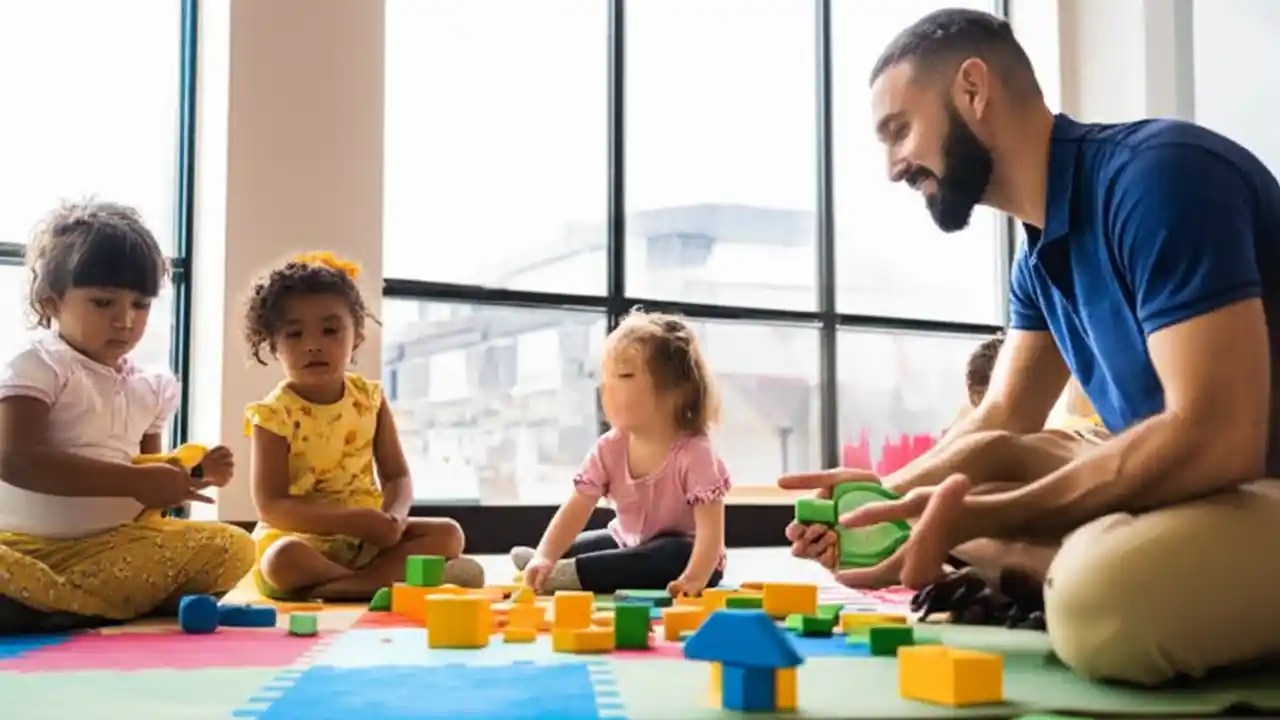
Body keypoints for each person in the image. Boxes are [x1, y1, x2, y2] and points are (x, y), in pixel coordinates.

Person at [782, 7, 1280, 686]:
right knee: (984, 462)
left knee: (1098, 599)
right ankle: (1050, 564)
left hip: (1253, 479)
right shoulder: (1036, 255)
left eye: (900, 131)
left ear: (973, 90)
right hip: (1196, 479)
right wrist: (880, 499)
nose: (894, 167)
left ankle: (1055, 574)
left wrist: (984, 517)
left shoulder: (1158, 179)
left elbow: (1221, 436)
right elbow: (1000, 420)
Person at [0, 200, 254, 632]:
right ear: (52, 302)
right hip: (21, 547)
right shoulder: (38, 364)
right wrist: (138, 480)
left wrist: (189, 474)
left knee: (233, 547)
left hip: (109, 549)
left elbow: (146, 495)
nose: (125, 320)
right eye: (103, 302)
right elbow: (15, 457)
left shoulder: (150, 388)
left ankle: (52, 604)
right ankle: (77, 602)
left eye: (140, 304)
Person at [243, 252, 483, 600]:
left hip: (368, 538)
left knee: (449, 534)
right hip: (302, 540)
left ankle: (344, 586)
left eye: (330, 330)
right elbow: (272, 506)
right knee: (281, 561)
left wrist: (394, 518)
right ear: (273, 345)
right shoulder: (273, 415)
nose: (313, 344)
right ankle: (369, 582)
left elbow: (397, 476)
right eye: (294, 334)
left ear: (356, 336)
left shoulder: (368, 399)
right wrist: (353, 521)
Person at [511, 309, 730, 596]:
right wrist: (545, 554)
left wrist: (694, 578)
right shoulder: (609, 447)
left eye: (624, 375)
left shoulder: (694, 452)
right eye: (606, 377)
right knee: (594, 544)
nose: (607, 387)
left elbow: (710, 533)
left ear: (675, 390)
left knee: (668, 552)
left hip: (690, 555)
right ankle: (552, 567)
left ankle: (570, 574)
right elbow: (577, 507)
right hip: (626, 541)